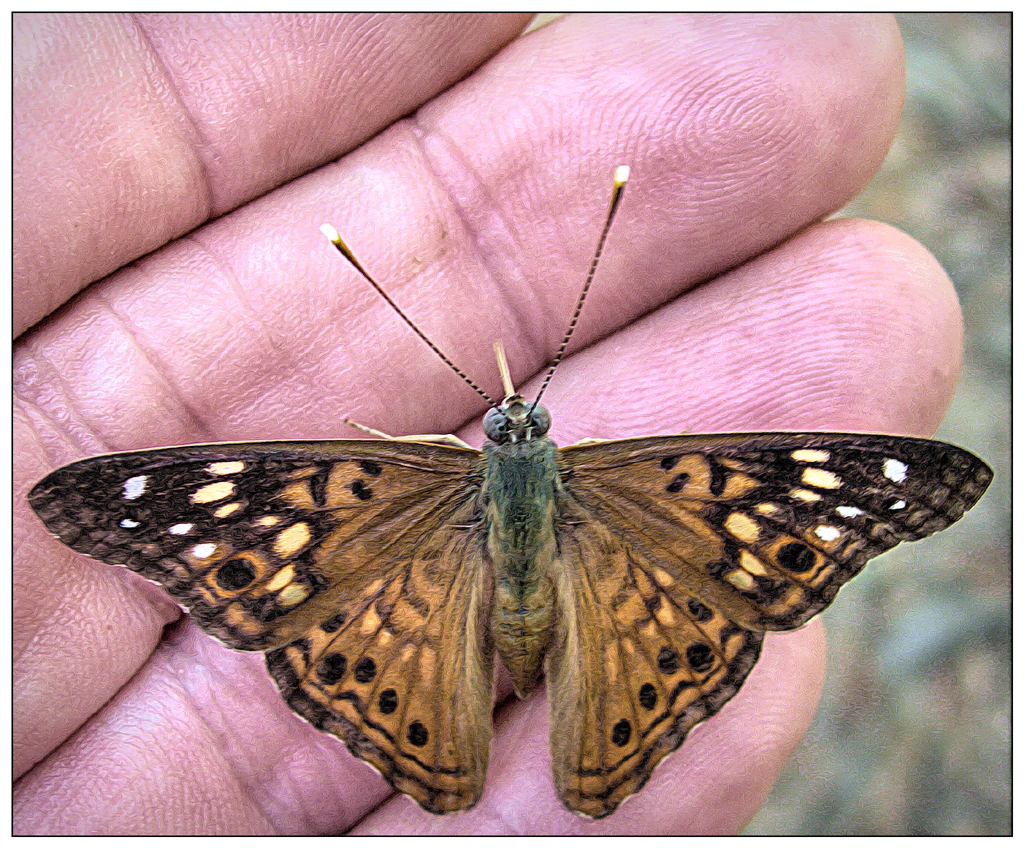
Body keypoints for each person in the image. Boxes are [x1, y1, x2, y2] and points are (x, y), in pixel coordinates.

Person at [14, 13, 959, 835]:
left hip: (413, 601)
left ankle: (510, 736)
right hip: (632, 596)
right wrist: (141, 504)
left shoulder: (390, 481)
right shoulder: (652, 480)